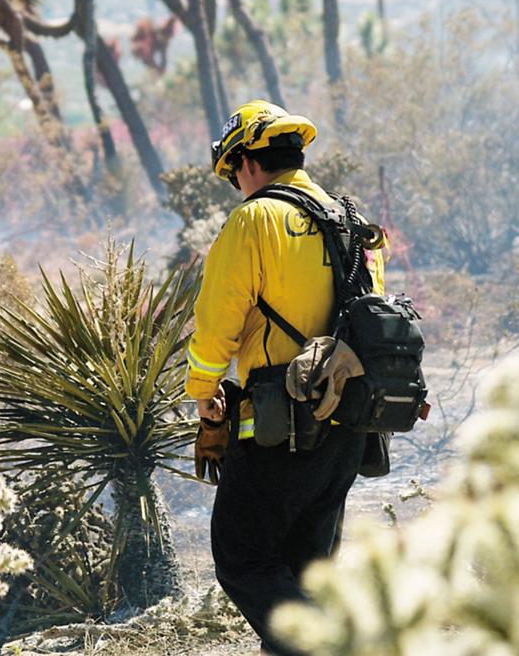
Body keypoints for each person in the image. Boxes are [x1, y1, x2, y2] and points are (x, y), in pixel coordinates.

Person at [186, 100, 386, 655]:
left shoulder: (255, 219)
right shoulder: (350, 220)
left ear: (247, 161)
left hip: (281, 426)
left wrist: (203, 395)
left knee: (244, 559)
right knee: (304, 574)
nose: (236, 185)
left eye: (233, 173)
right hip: (349, 429)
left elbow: (217, 324)